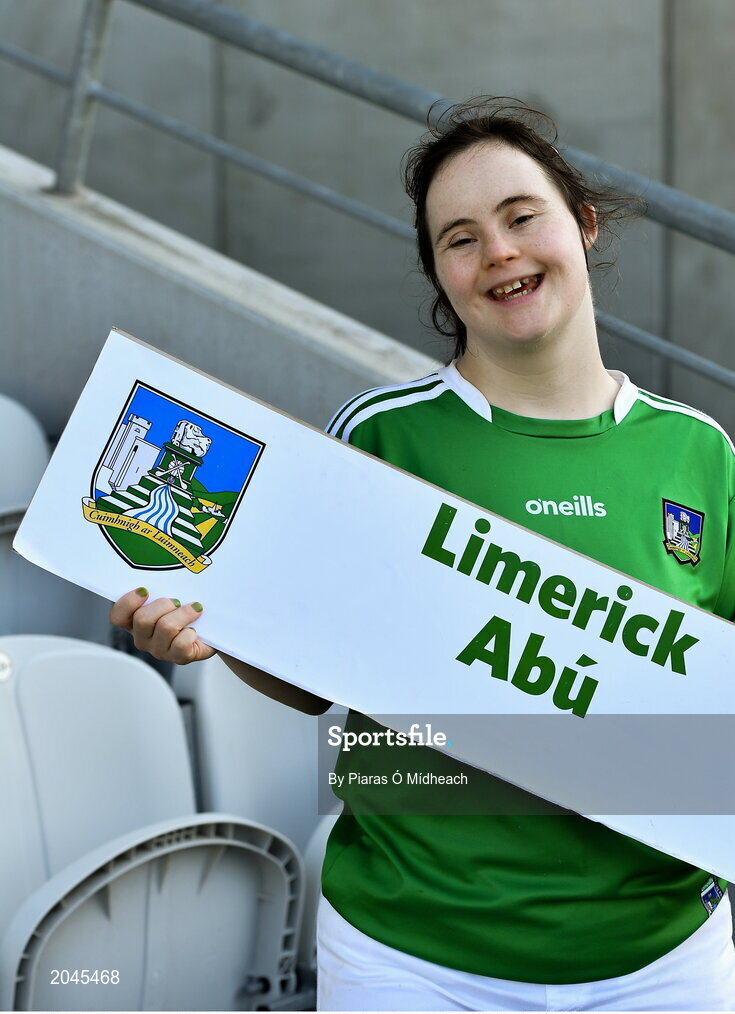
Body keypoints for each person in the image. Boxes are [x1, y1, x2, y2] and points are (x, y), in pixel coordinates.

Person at [111, 98, 735, 1011]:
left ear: (583, 225)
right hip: (411, 957)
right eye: (460, 238)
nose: (500, 253)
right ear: (440, 277)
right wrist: (212, 633)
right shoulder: (383, 439)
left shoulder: (700, 453)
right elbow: (312, 671)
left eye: (522, 217)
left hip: (660, 955)